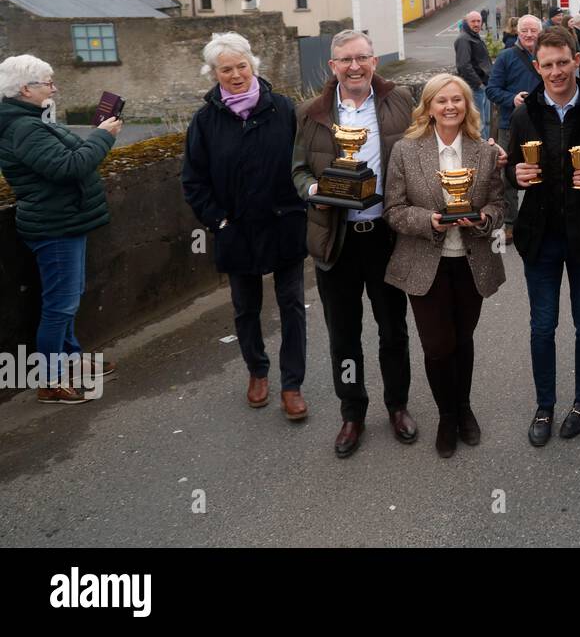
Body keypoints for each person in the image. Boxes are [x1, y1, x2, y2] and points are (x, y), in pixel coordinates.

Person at [291, 29, 418, 457]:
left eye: (362, 57)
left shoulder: (400, 101)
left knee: (393, 329)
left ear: (374, 60)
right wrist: (313, 192)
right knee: (343, 335)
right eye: (345, 60)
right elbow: (298, 170)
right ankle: (352, 413)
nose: (355, 66)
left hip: (386, 236)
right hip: (336, 239)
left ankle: (397, 405)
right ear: (333, 66)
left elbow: (426, 154)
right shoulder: (311, 113)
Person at [506, 27, 580, 447]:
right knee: (542, 326)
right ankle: (545, 405)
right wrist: (514, 174)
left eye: (563, 62)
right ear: (536, 68)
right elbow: (511, 168)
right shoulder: (524, 115)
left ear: (577, 61)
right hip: (540, 238)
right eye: (547, 65)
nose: (556, 72)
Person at [182, 33, 308, 420]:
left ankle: (292, 384)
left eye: (241, 66)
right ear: (213, 73)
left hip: (284, 223)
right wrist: (218, 220)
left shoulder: (284, 108)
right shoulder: (205, 121)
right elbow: (194, 179)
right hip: (236, 229)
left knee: (292, 306)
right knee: (245, 308)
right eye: (226, 69)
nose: (235, 75)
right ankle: (257, 372)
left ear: (253, 65)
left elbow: (303, 163)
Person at [383, 74, 506, 458]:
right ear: (429, 107)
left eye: (457, 100)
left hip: (472, 264)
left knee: (463, 341)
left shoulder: (485, 152)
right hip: (425, 265)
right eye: (442, 101)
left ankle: (464, 407)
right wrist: (429, 221)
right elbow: (394, 210)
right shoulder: (406, 150)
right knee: (438, 347)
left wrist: (483, 219)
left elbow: (500, 206)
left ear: (468, 106)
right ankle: (447, 415)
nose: (450, 106)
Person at [0, 55, 120, 403]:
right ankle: (51, 381)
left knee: (68, 297)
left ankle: (71, 359)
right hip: (54, 227)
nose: (55, 87)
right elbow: (68, 167)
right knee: (59, 306)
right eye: (48, 82)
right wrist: (102, 136)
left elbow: (69, 155)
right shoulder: (23, 127)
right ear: (25, 89)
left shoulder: (29, 120)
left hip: (66, 221)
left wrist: (95, 136)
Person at [485, 14, 542, 244]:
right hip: (511, 125)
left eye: (533, 30)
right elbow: (492, 90)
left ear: (540, 32)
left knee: (540, 174)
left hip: (540, 125)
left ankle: (539, 220)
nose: (529, 35)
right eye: (524, 31)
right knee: (509, 176)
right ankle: (510, 223)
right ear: (517, 32)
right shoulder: (506, 57)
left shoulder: (545, 55)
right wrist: (512, 99)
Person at [455, 10, 492, 126]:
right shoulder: (464, 39)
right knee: (478, 124)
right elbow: (463, 65)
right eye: (473, 21)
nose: (476, 24)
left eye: (479, 21)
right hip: (474, 88)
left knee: (485, 122)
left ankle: (485, 144)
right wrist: (478, 83)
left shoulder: (473, 36)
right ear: (466, 22)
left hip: (482, 86)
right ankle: (481, 144)